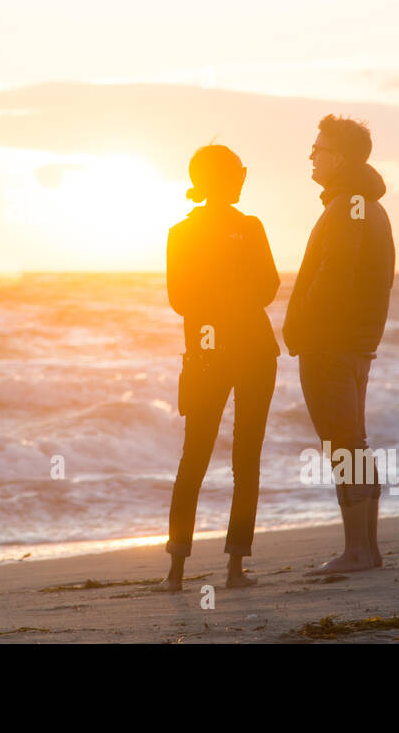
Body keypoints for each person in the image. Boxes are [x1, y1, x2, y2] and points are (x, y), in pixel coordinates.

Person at [153, 144, 279, 592]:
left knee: (196, 458)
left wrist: (219, 295)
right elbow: (266, 286)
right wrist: (235, 294)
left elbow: (183, 298)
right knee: (243, 460)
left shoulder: (184, 233)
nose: (244, 179)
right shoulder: (244, 229)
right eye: (239, 173)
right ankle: (233, 567)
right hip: (248, 349)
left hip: (213, 353)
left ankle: (178, 571)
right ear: (227, 179)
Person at [283, 114, 395, 573]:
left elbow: (336, 276)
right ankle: (367, 551)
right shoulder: (364, 205)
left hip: (332, 344)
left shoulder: (348, 205)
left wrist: (305, 327)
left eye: (319, 148)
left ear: (342, 157)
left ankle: (356, 552)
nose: (312, 155)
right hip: (352, 343)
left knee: (343, 446)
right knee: (353, 442)